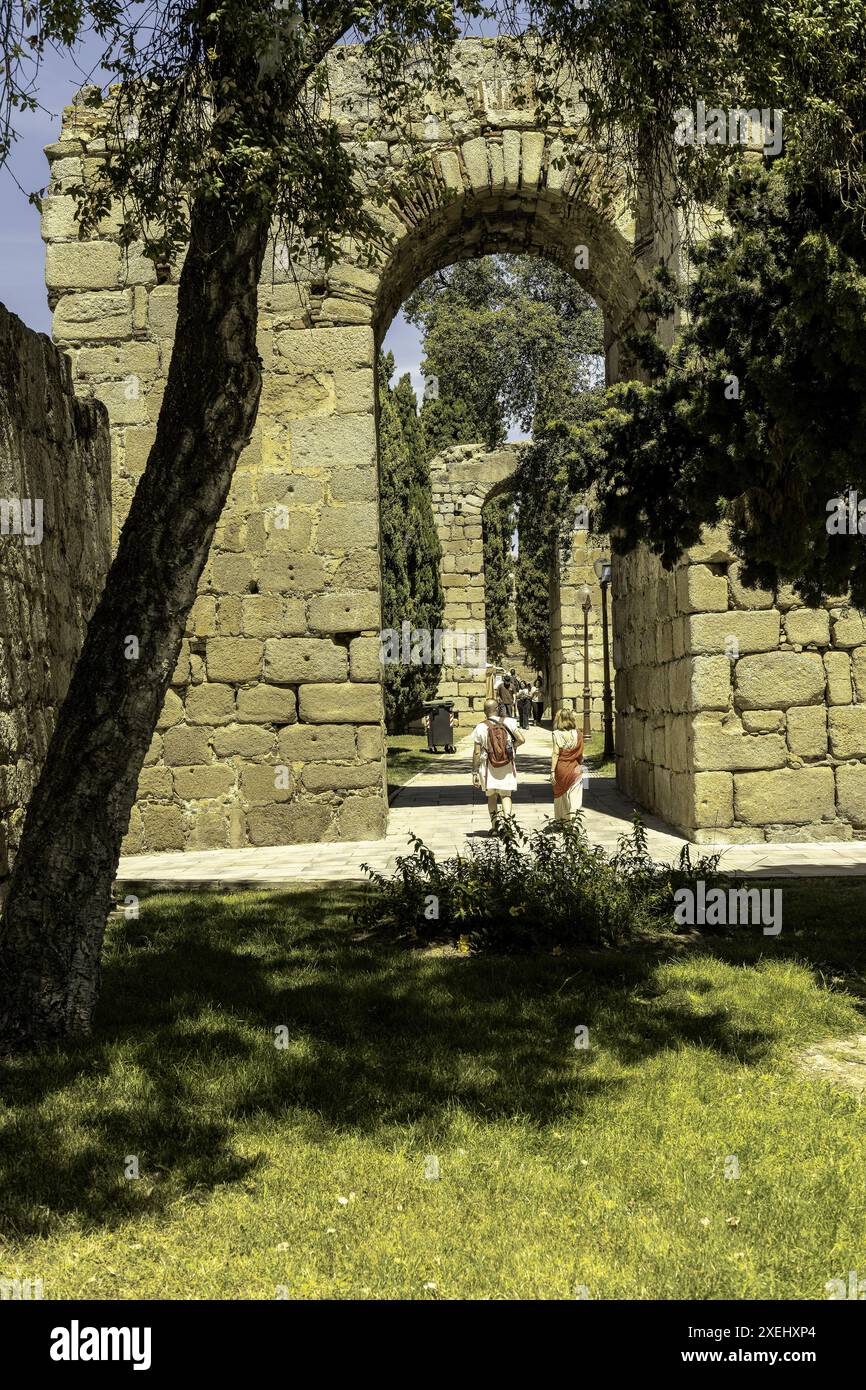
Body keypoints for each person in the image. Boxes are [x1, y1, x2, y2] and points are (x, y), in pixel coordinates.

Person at [472, 696, 525, 827]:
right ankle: (508, 824)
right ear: (497, 709)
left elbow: (477, 752)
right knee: (506, 795)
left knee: (491, 796)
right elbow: (521, 739)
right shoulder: (509, 722)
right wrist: (512, 746)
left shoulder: (480, 727)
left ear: (485, 711)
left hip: (488, 765)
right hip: (506, 764)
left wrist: (474, 772)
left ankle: (495, 826)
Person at [550, 708, 585, 823]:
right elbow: (580, 755)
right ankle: (574, 820)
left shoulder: (556, 734)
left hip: (561, 768)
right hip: (576, 768)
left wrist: (552, 771)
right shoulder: (578, 733)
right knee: (576, 796)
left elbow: (555, 753)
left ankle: (563, 820)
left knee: (562, 795)